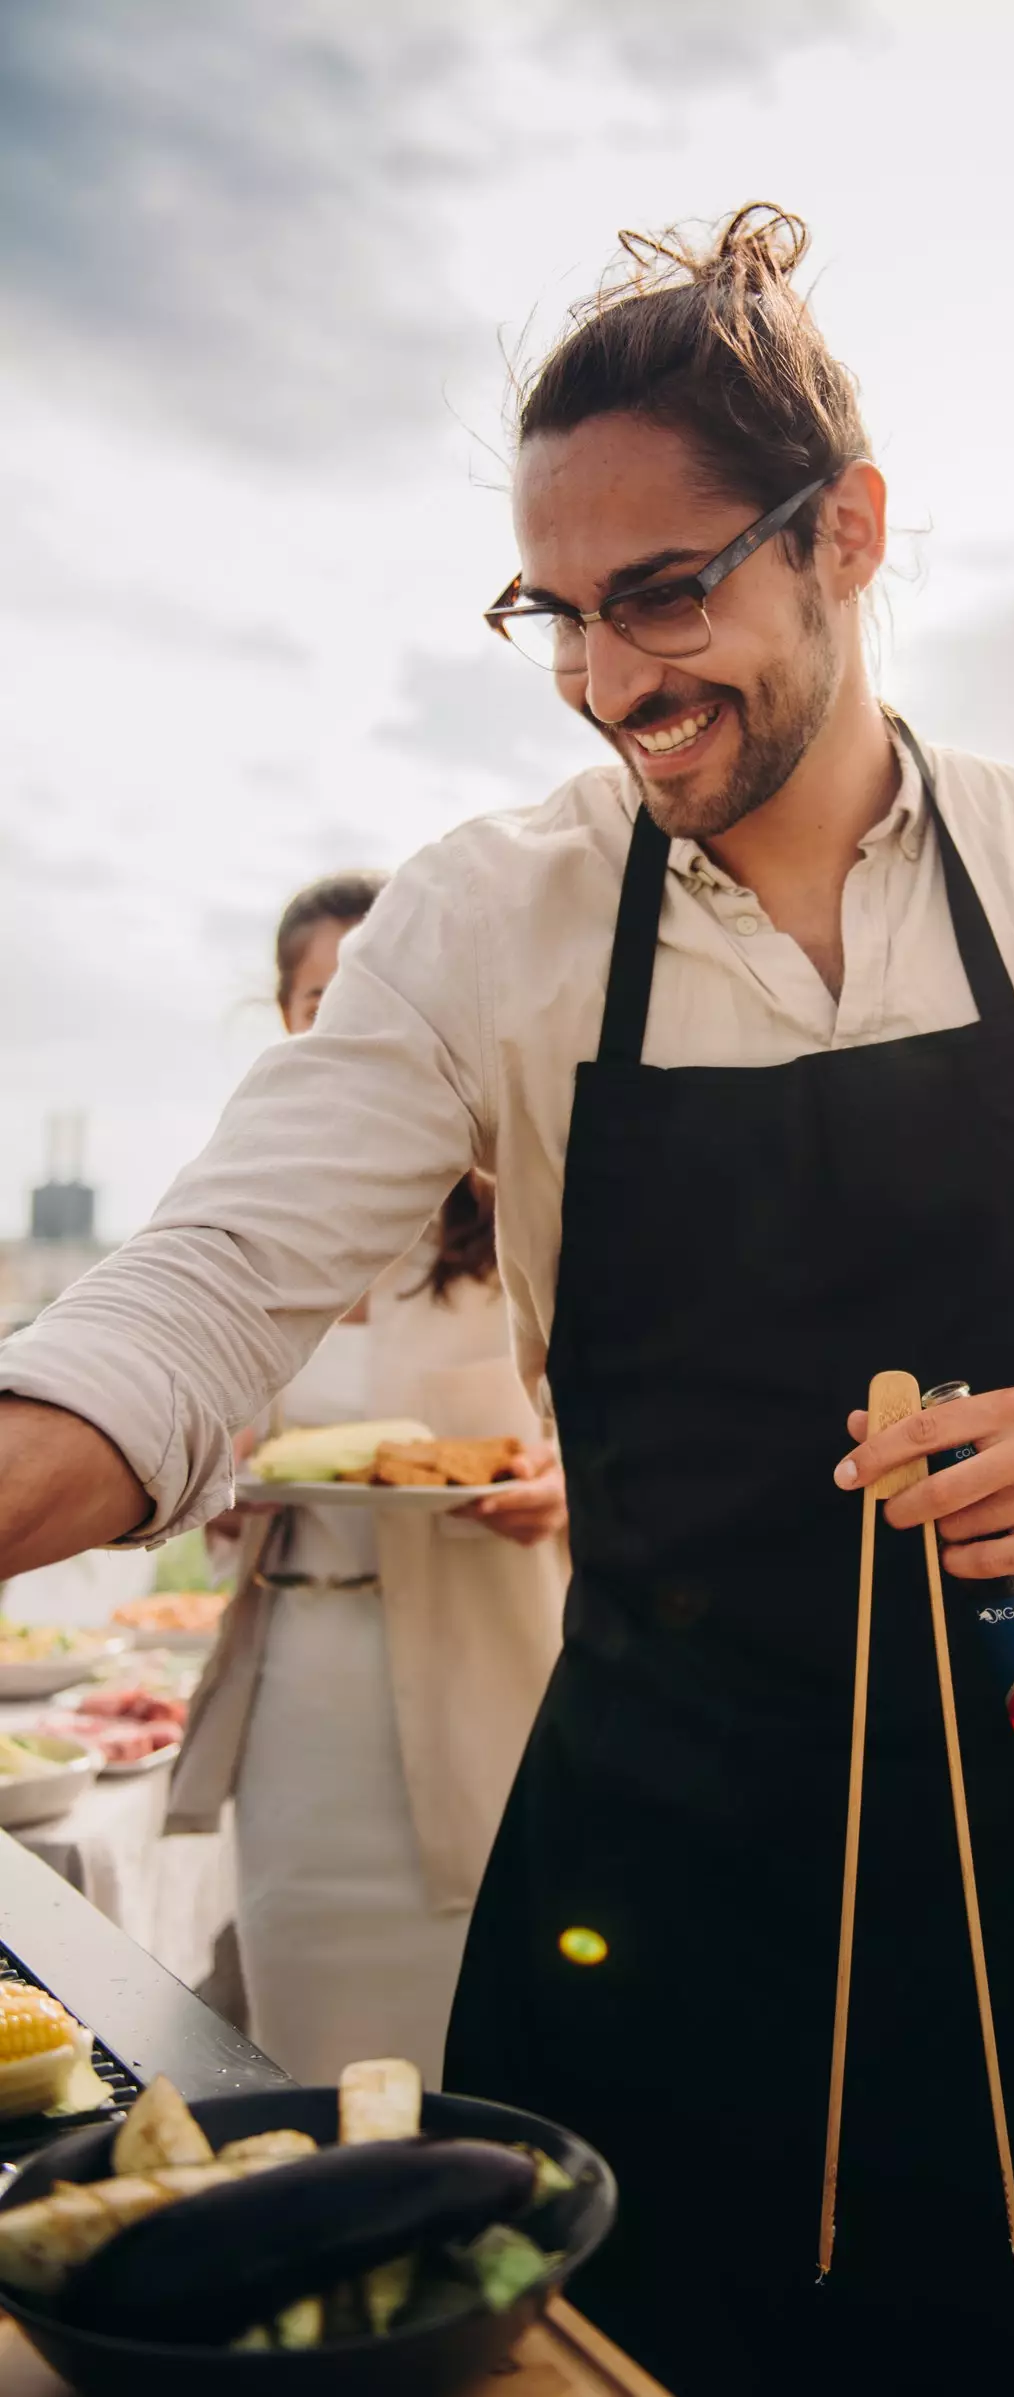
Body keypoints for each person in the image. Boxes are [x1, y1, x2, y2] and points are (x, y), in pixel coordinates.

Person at [0, 205, 1014, 2395]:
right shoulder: (484, 921)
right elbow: (208, 1292)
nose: (611, 681)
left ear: (849, 533)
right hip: (640, 1857)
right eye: (557, 615)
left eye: (666, 593)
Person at [166, 873, 569, 2086]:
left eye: (372, 997)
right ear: (288, 1022)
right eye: (319, 1001)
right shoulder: (242, 1232)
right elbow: (191, 1467)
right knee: (297, 2043)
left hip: (484, 1691)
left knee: (478, 2051)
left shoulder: (521, 1229)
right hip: (297, 1700)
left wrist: (566, 1491)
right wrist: (213, 1472)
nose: (346, 1025)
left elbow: (618, 1441)